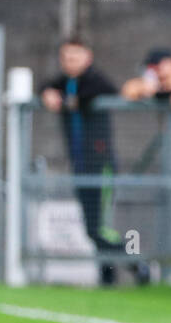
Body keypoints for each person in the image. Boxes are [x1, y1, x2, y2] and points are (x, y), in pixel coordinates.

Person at [39, 38, 145, 286]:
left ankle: (137, 264)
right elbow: (45, 85)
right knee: (92, 228)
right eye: (65, 58)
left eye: (75, 57)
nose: (70, 62)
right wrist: (47, 93)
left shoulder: (94, 80)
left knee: (101, 227)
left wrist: (68, 101)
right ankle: (107, 276)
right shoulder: (65, 83)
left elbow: (106, 89)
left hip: (101, 165)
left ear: (88, 57)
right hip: (80, 165)